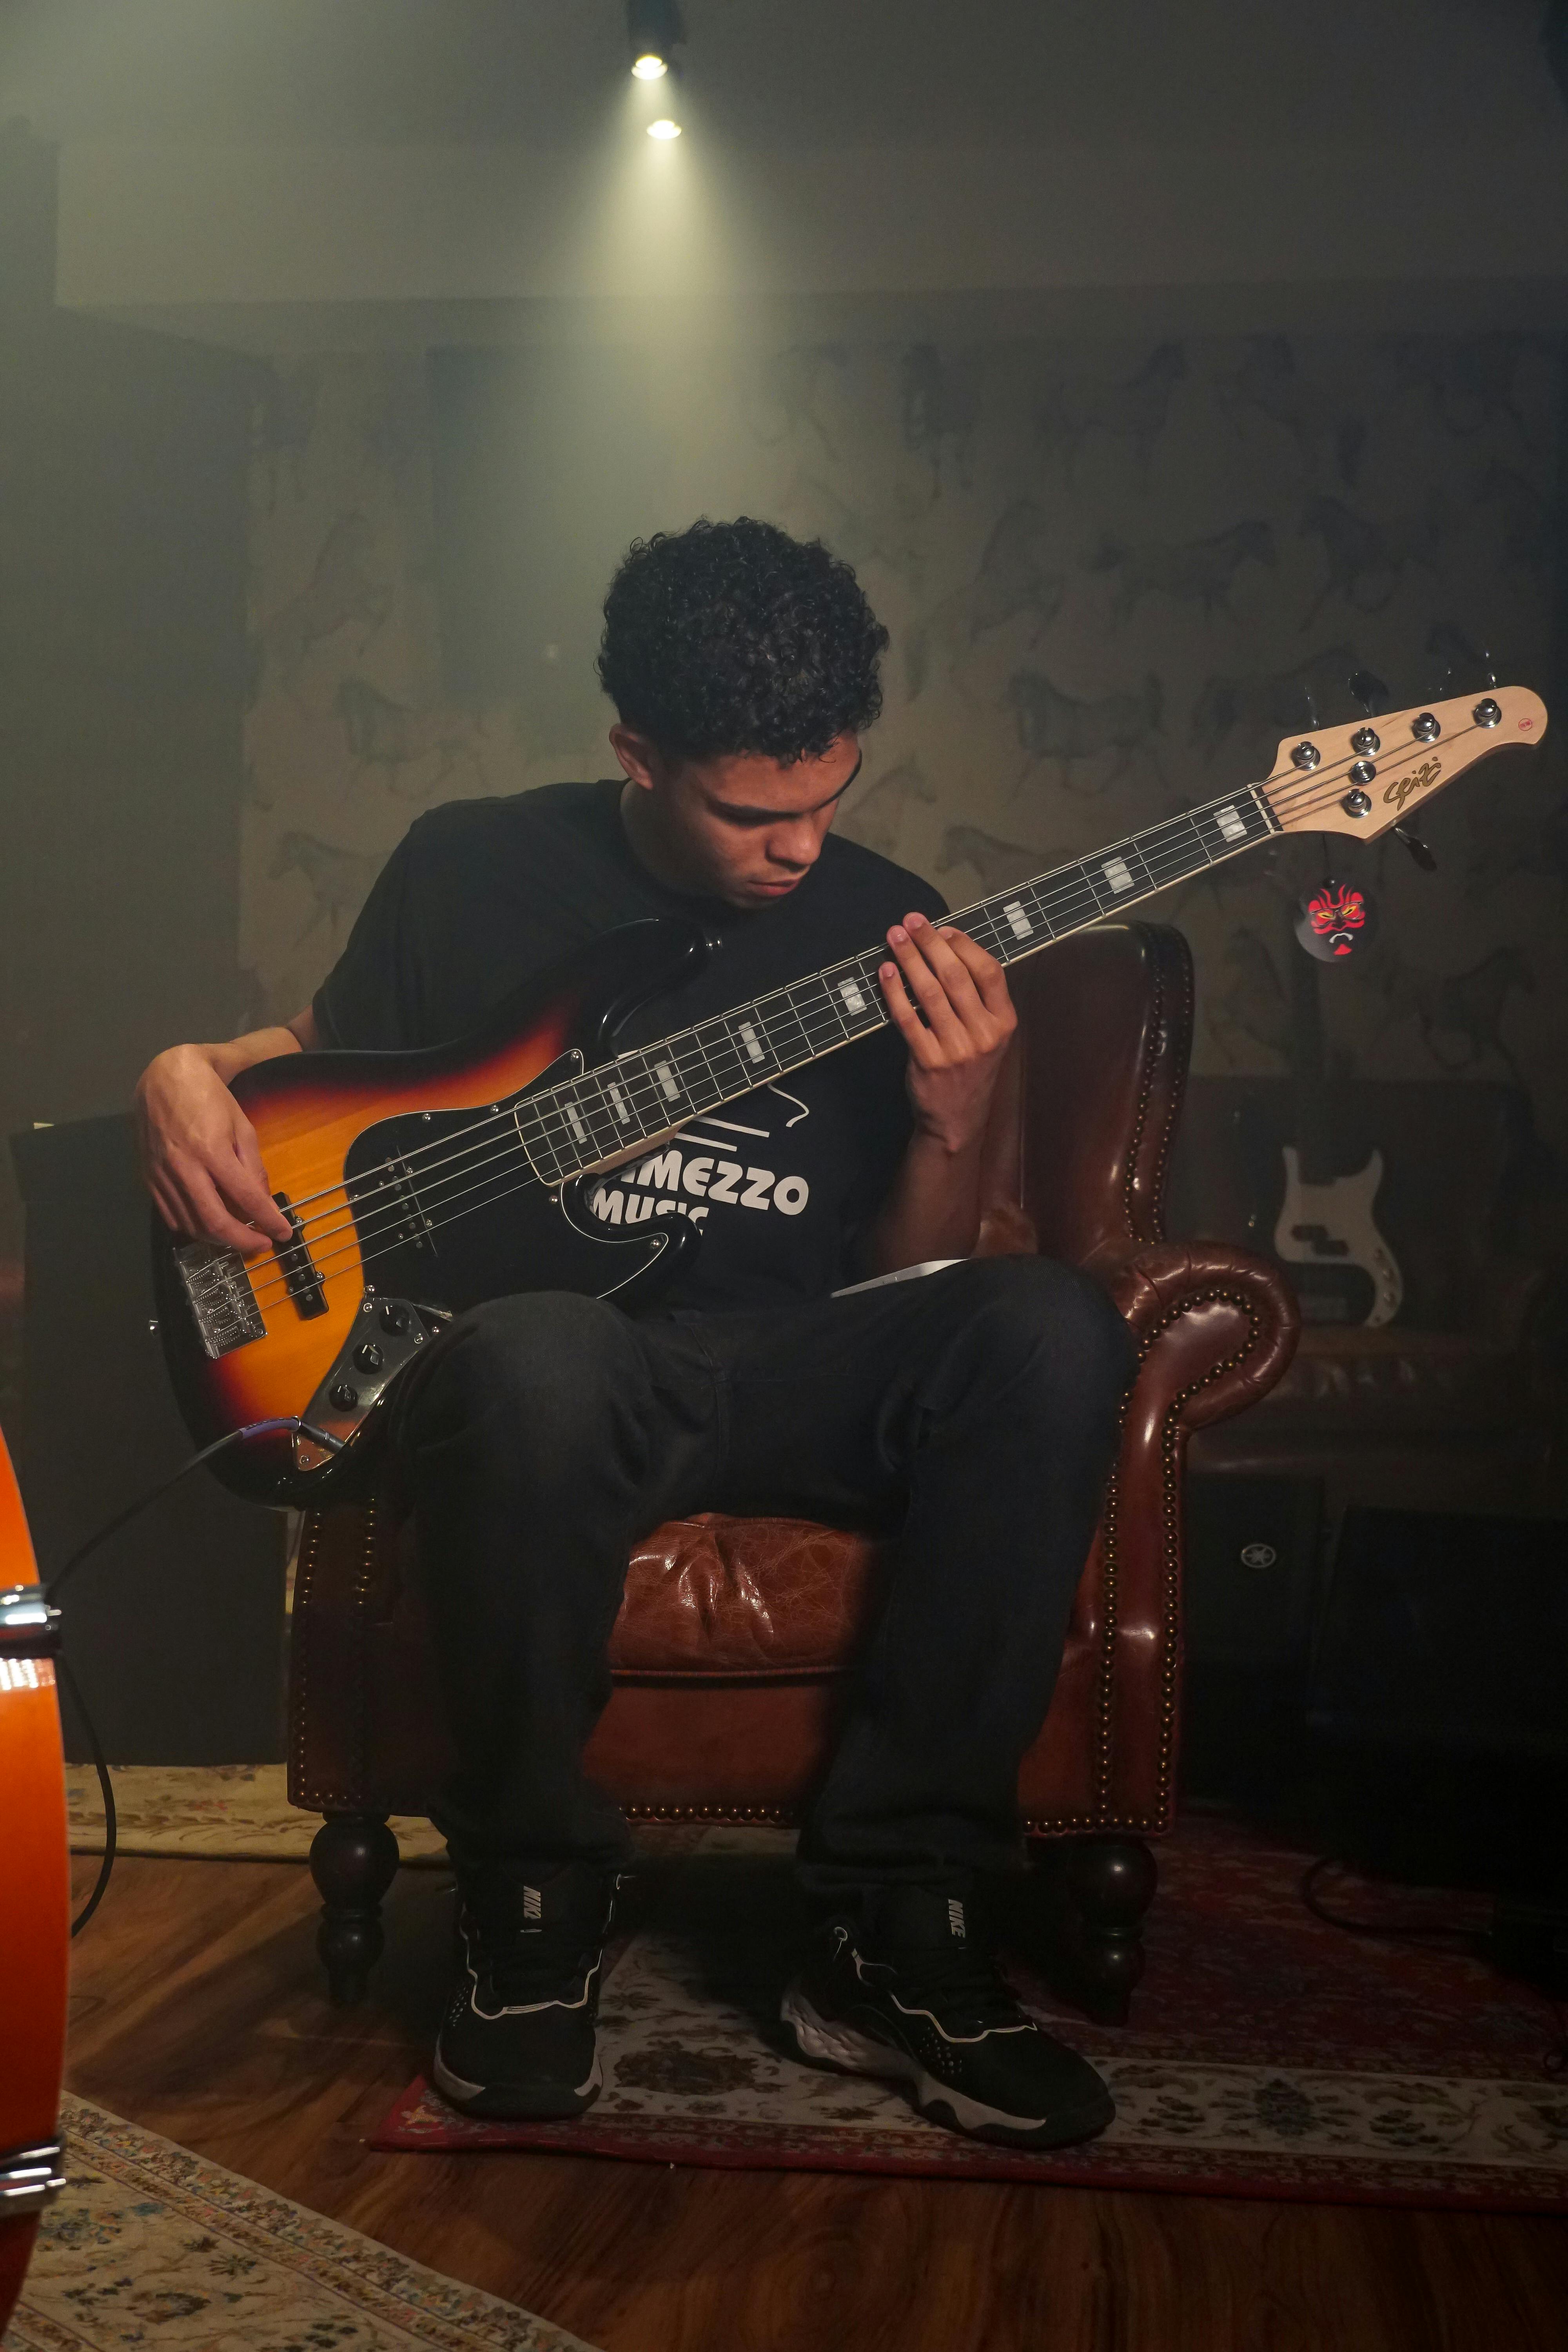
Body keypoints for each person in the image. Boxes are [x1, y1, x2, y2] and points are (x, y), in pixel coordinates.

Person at [136, 517, 1138, 2151]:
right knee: (535, 1351)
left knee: (1045, 1326)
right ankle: (532, 1908)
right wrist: (180, 1071)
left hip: (799, 1356)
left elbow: (908, 1279)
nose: (802, 846)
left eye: (828, 799)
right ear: (637, 754)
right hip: (566, 1370)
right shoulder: (469, 863)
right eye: (754, 812)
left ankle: (900, 1925)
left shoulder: (893, 923)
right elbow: (314, 1064)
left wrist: (956, 1122)